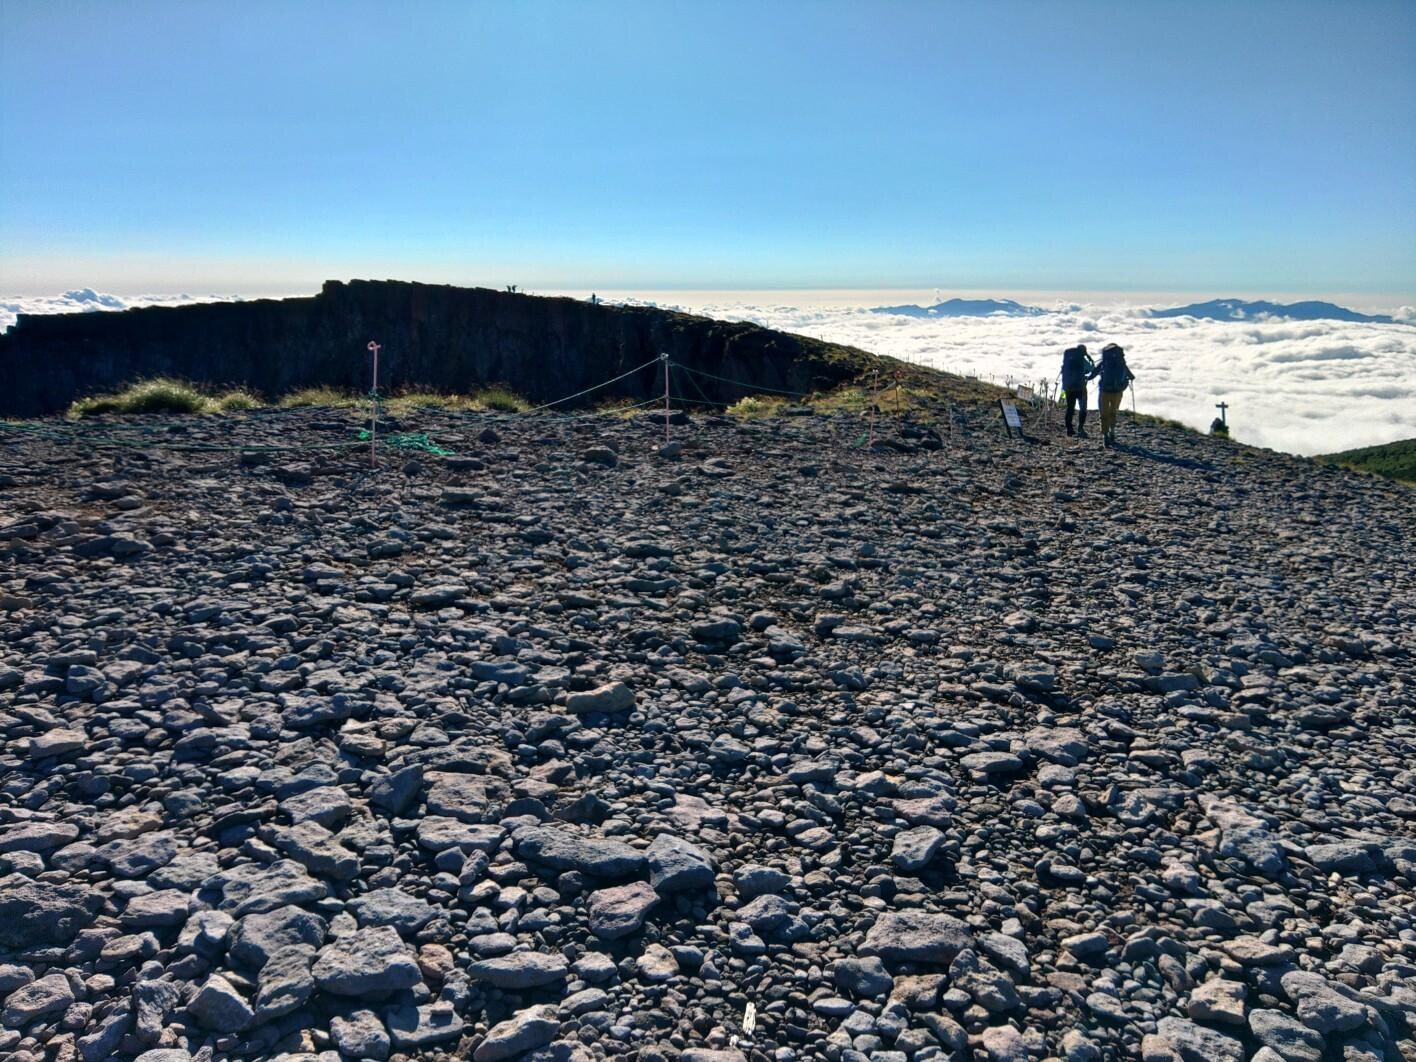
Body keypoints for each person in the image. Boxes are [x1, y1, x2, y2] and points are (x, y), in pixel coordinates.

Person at [1096, 342, 1135, 448]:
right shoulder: (1121, 363)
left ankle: (1105, 436)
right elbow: (1131, 376)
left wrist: (1086, 378)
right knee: (1113, 412)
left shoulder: (1104, 362)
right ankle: (1112, 431)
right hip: (1117, 392)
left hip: (1104, 391)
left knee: (1103, 414)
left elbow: (1094, 373)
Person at [1060, 344, 1097, 437]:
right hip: (1081, 388)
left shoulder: (1068, 361)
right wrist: (1090, 359)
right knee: (1083, 409)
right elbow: (1092, 369)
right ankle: (1080, 429)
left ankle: (1069, 429)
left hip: (1068, 388)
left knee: (1070, 409)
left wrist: (1063, 393)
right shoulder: (1082, 360)